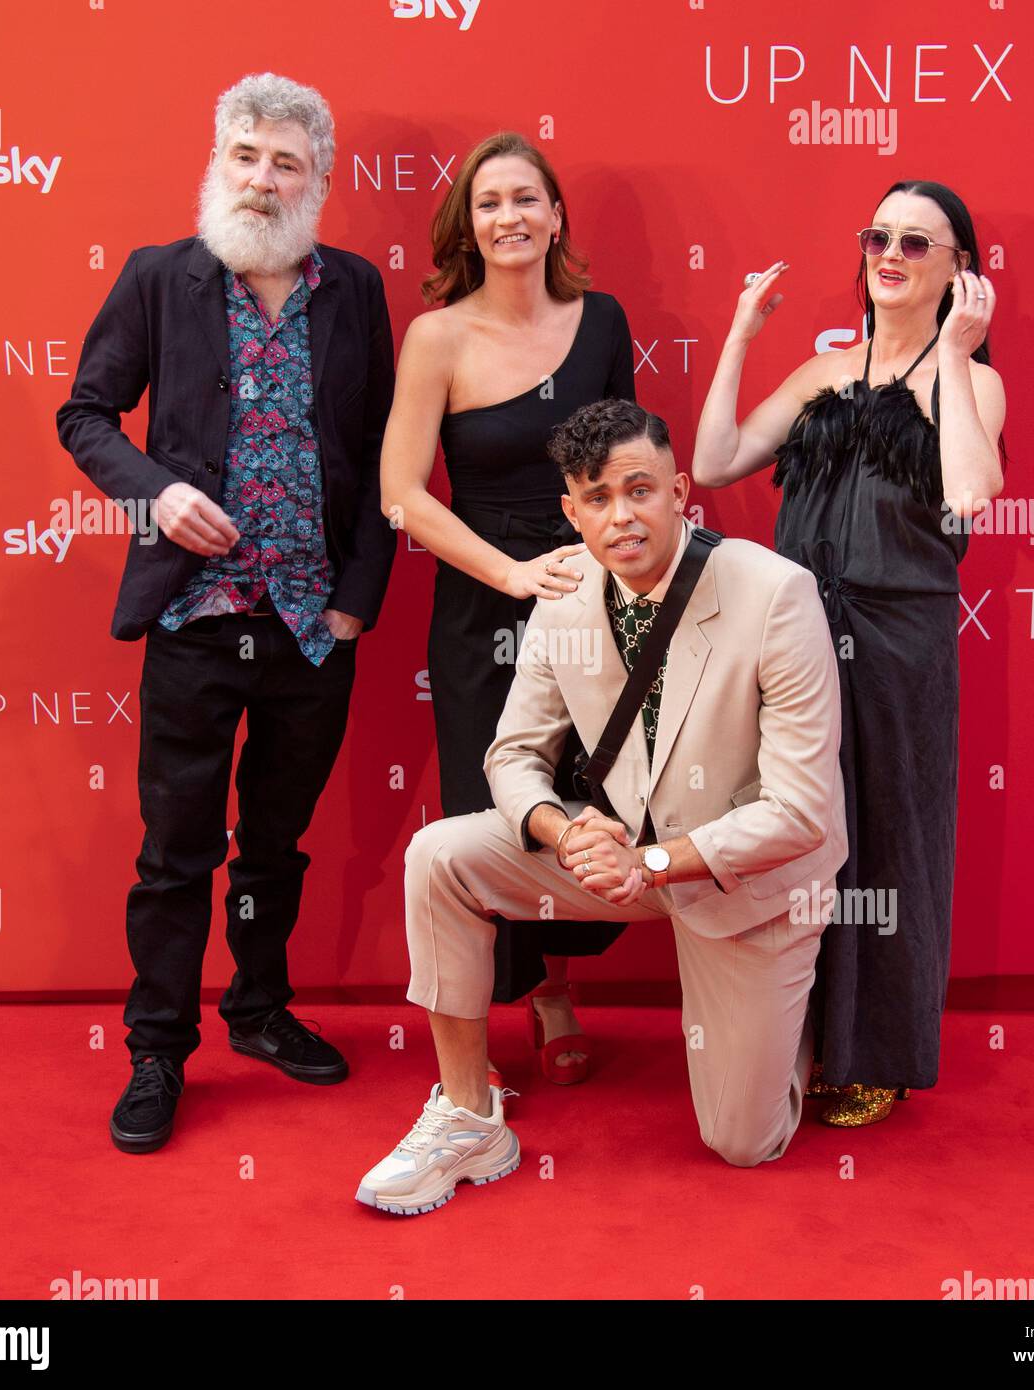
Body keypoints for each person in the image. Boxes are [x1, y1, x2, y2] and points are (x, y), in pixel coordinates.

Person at [356, 399, 847, 1215]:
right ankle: (469, 1115)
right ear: (571, 511)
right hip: (617, 861)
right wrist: (566, 828)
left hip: (743, 880)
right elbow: (512, 756)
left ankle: (800, 1024)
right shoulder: (566, 590)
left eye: (639, 490)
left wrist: (649, 861)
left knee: (742, 1143)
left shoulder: (775, 595)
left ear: (680, 490)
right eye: (596, 497)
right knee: (439, 854)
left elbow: (802, 812)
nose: (621, 516)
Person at [55, 72, 396, 1153]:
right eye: (246, 155)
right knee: (175, 852)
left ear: (319, 179)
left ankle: (255, 1008)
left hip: (311, 627)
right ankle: (158, 1047)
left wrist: (353, 606)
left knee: (276, 844)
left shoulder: (355, 290)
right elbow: (85, 411)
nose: (262, 178)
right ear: (218, 160)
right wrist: (155, 489)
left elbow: (388, 453)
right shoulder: (162, 278)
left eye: (285, 161)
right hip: (194, 619)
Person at [691, 179, 1006, 1125]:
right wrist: (743, 333)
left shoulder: (973, 380)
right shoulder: (826, 372)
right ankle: (787, 1034)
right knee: (792, 831)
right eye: (879, 235)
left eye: (918, 241)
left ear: (959, 270)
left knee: (887, 845)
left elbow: (970, 496)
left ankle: (874, 1054)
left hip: (898, 643)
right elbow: (713, 462)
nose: (892, 254)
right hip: (793, 637)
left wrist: (952, 355)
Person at [380, 131, 636, 1087]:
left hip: (592, 601)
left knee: (581, 793)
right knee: (489, 804)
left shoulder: (602, 321)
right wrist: (512, 575)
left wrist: (602, 571)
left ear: (556, 214)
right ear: (467, 225)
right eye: (490, 203)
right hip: (483, 602)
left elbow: (626, 469)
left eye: (526, 199)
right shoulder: (437, 336)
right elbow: (401, 490)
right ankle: (468, 1052)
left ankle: (553, 993)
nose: (510, 218)